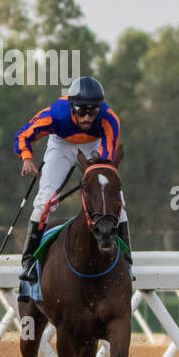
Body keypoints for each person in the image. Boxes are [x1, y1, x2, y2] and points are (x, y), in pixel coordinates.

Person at [13, 75, 129, 298]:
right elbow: (23, 134)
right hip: (61, 144)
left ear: (100, 109)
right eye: (82, 111)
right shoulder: (55, 114)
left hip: (94, 147)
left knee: (118, 200)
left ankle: (127, 259)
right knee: (44, 202)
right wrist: (27, 158)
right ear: (71, 107)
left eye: (92, 112)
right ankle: (28, 262)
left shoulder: (109, 119)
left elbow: (103, 165)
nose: (87, 117)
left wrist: (95, 180)